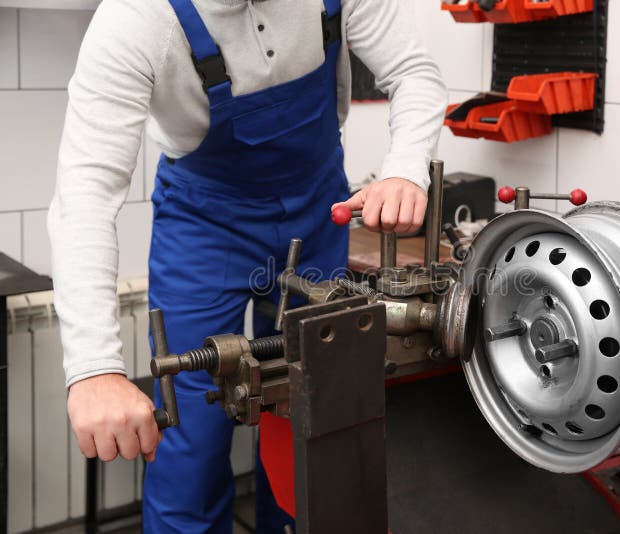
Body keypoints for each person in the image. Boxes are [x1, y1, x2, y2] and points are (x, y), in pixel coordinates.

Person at [48, 0, 446, 531]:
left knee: (316, 415)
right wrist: (94, 368)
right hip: (204, 226)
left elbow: (413, 70)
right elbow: (85, 197)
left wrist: (405, 170)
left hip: (319, 205)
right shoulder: (135, 20)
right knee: (190, 431)